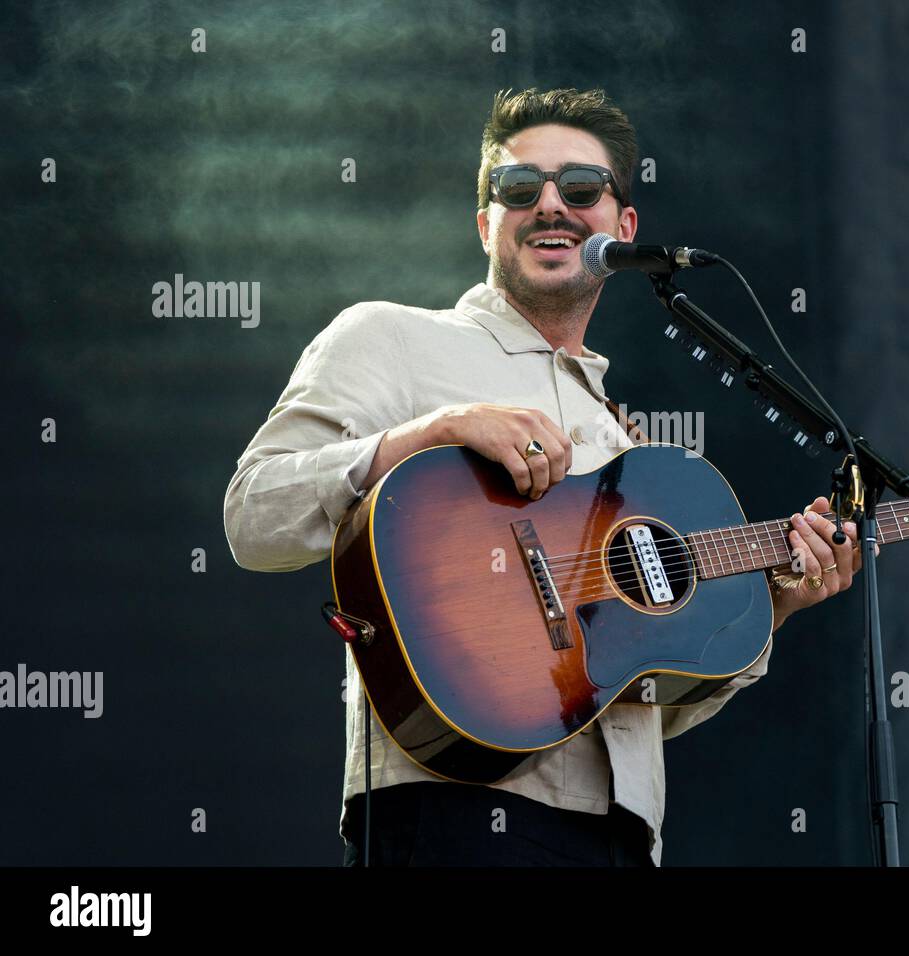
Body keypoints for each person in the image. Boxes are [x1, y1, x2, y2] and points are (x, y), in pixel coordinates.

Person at [222, 87, 869, 867]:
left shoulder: (620, 436)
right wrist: (432, 430)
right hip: (451, 808)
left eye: (582, 189)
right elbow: (253, 516)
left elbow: (634, 689)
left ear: (623, 227)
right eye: (520, 189)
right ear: (485, 224)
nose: (551, 205)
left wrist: (774, 608)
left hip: (622, 839)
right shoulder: (390, 338)